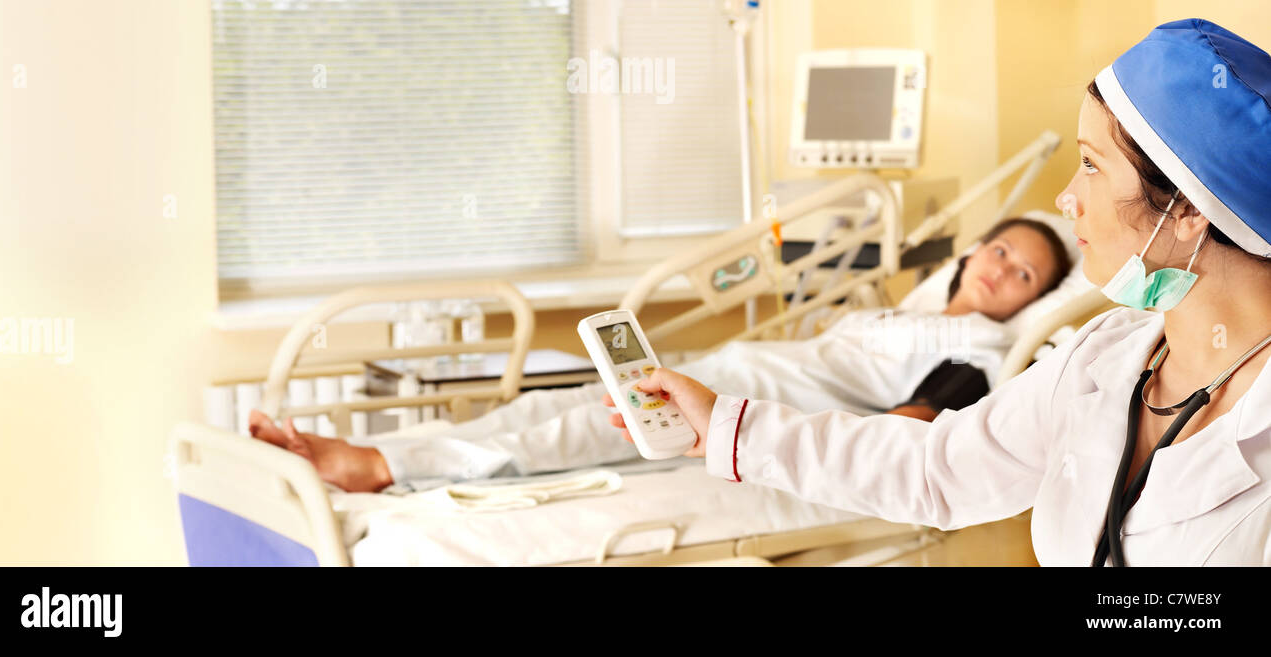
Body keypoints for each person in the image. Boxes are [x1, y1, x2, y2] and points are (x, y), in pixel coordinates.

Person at [623, 18, 1271, 566]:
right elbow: (937, 468)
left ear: (1187, 209)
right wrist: (731, 429)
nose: (1066, 196)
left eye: (1093, 164)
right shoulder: (1106, 358)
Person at [248, 217, 1070, 492]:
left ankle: (376, 466)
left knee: (577, 433)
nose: (999, 267)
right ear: (972, 251)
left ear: (1032, 299)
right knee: (546, 409)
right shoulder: (898, 312)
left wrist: (746, 443)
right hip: (736, 373)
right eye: (998, 247)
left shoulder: (982, 351)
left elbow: (905, 430)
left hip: (743, 412)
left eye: (1023, 271)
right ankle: (384, 454)